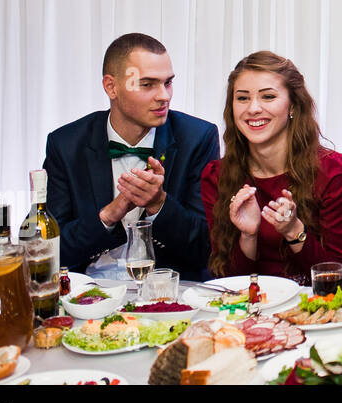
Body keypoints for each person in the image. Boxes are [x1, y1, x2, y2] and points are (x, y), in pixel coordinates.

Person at [44, 33, 218, 279]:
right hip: (91, 295)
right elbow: (53, 253)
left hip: (170, 294)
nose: (164, 96)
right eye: (147, 84)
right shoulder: (66, 144)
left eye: (167, 83)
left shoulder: (197, 138)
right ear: (111, 87)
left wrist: (159, 204)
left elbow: (205, 250)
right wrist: (108, 216)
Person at [201, 52, 342, 286]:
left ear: (293, 106)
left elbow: (336, 275)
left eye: (268, 97)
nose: (253, 109)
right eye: (243, 98)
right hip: (254, 307)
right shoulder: (216, 176)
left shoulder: (330, 169)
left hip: (321, 303)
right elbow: (228, 281)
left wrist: (294, 231)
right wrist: (248, 236)